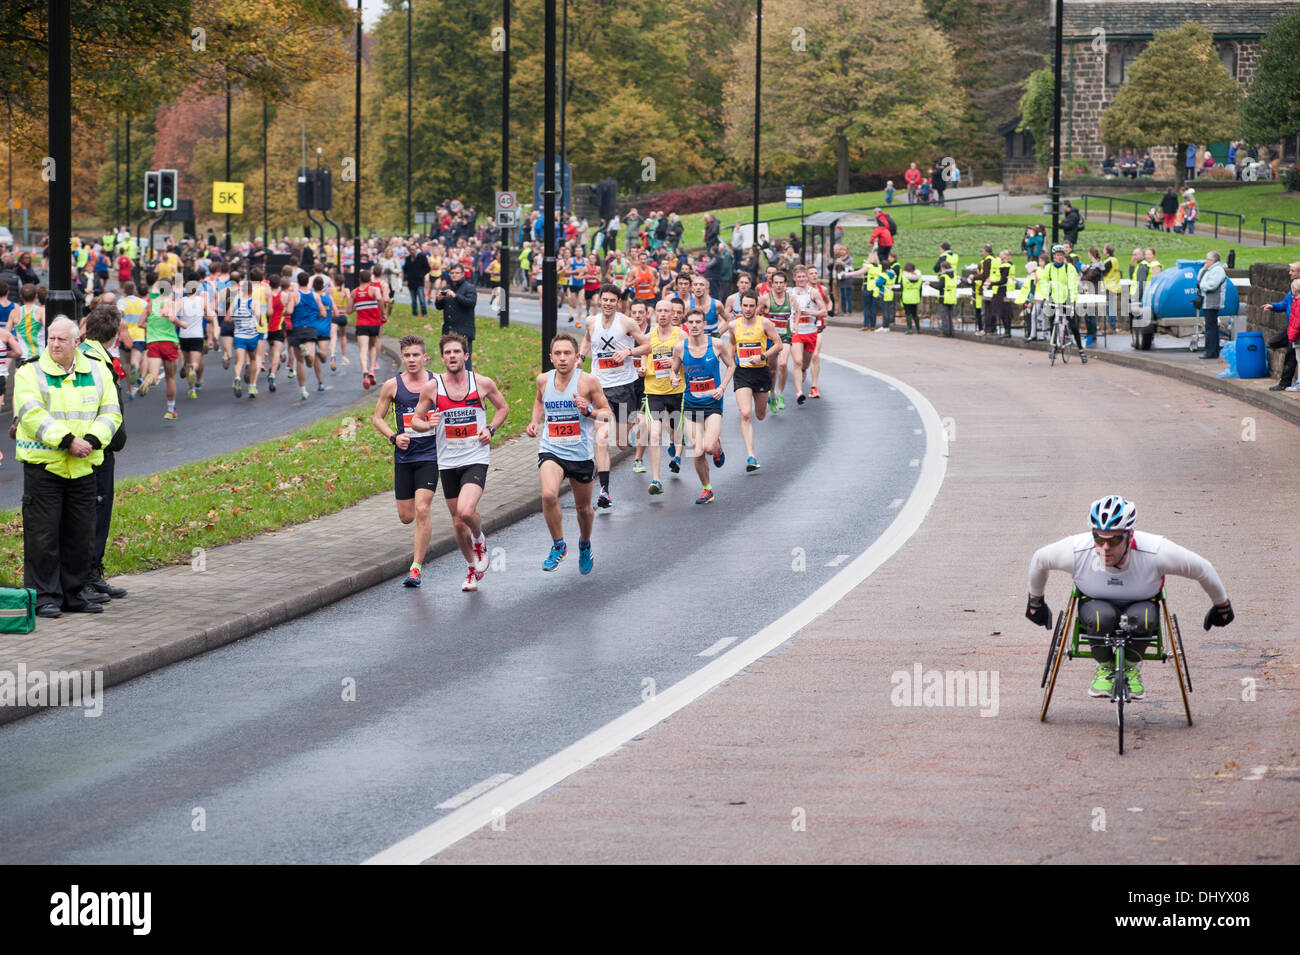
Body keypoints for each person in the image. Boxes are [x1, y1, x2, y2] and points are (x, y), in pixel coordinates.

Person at [1025, 495, 1233, 699]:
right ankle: (1105, 667)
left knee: (1139, 618)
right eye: (1099, 538)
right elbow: (1040, 559)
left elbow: (1203, 569)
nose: (1105, 547)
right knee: (1101, 617)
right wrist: (1036, 601)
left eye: (1114, 539)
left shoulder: (1155, 551)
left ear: (1130, 537)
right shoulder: (1078, 550)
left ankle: (1130, 667)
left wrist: (1221, 605)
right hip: (1096, 603)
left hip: (1141, 604)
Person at [15, 316, 122, 617]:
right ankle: (46, 596)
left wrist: (90, 439)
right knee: (43, 535)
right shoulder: (30, 372)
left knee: (80, 534)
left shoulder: (98, 369)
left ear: (77, 341)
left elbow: (111, 413)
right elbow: (30, 413)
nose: (55, 344)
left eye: (62, 339)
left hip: (84, 465)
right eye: (51, 338)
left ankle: (74, 594)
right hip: (44, 466)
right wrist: (66, 440)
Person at [408, 333, 509, 592]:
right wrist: (426, 424)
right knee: (457, 523)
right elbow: (416, 420)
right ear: (442, 358)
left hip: (475, 456)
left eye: (456, 352)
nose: (452, 356)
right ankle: (472, 569)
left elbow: (503, 408)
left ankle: (480, 539)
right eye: (447, 353)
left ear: (466, 355)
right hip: (447, 461)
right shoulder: (432, 388)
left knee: (466, 511)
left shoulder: (482, 383)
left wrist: (491, 429)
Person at [526, 332, 610, 573]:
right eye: (558, 353)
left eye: (567, 353)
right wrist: (534, 421)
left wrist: (588, 412)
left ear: (576, 357)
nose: (563, 358)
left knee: (584, 509)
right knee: (549, 495)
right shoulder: (543, 380)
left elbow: (607, 413)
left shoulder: (588, 382)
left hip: (580, 454)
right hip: (551, 448)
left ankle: (584, 544)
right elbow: (540, 401)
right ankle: (559, 545)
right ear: (551, 357)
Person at [372, 335, 439, 588]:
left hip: (430, 456)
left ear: (425, 357)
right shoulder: (392, 385)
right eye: (407, 355)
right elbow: (377, 418)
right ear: (402, 357)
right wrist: (393, 436)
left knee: (423, 509)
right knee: (406, 516)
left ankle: (416, 568)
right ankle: (417, 558)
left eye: (416, 355)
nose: (412, 360)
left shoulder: (436, 383)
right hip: (404, 457)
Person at [578, 284, 650, 510]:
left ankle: (633, 427)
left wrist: (628, 352)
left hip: (625, 386)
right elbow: (588, 339)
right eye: (604, 299)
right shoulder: (591, 321)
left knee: (620, 443)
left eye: (612, 300)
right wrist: (581, 355)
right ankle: (605, 491)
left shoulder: (627, 323)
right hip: (600, 387)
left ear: (618, 302)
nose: (608, 303)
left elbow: (647, 346)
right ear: (600, 300)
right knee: (601, 438)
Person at [77, 304, 129, 602]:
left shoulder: (86, 352)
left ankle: (91, 573)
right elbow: (111, 409)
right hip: (97, 447)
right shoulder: (99, 360)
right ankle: (89, 575)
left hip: (87, 444)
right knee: (95, 512)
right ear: (114, 335)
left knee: (91, 512)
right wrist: (116, 439)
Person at [672, 309, 736, 505]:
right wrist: (673, 377)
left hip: (713, 403)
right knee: (697, 450)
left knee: (708, 447)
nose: (694, 325)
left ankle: (717, 448)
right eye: (690, 322)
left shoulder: (716, 344)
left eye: (698, 322)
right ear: (686, 324)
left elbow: (731, 365)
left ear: (703, 324)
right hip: (691, 404)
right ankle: (707, 489)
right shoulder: (679, 348)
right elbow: (672, 370)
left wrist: (722, 387)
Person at [728, 289, 781, 471]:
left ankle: (767, 400)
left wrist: (763, 356)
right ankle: (751, 456)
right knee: (745, 414)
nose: (748, 309)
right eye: (745, 306)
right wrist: (730, 362)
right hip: (742, 373)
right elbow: (732, 344)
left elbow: (779, 344)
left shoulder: (765, 323)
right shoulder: (734, 325)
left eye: (751, 306)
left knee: (760, 415)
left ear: (756, 306)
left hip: (760, 372)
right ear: (740, 306)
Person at [642, 298, 686, 493]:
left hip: (677, 389)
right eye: (659, 310)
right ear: (654, 313)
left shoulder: (681, 335)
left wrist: (675, 361)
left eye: (666, 311)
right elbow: (644, 352)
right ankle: (656, 480)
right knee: (655, 434)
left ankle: (677, 456)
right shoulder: (649, 335)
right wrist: (643, 366)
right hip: (654, 391)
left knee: (676, 429)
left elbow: (692, 358)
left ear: (672, 314)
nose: (662, 314)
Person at [137, 270, 184, 418]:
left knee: (154, 374)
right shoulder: (171, 303)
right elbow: (172, 318)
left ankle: (148, 379)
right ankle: (170, 410)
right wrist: (182, 323)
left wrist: (151, 328)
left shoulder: (150, 305)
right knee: (170, 378)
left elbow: (140, 324)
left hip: (153, 342)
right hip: (169, 341)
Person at [789, 264, 827, 403]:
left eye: (803, 276)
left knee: (806, 362)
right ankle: (799, 392)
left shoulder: (813, 292)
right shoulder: (790, 293)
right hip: (796, 331)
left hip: (811, 331)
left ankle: (804, 370)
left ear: (807, 277)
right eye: (798, 277)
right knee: (797, 361)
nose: (801, 279)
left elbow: (824, 312)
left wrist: (809, 312)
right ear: (794, 278)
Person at [1043, 244, 1087, 363]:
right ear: (1053, 256)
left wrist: (1072, 301)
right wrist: (1045, 297)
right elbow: (1044, 283)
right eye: (1057, 255)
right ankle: (1053, 347)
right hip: (1053, 299)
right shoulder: (1048, 268)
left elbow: (1073, 285)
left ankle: (1081, 351)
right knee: (1052, 324)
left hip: (1066, 300)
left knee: (1073, 326)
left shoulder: (1069, 268)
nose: (1059, 257)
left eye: (1061, 255)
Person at [1264, 261, 1300, 391]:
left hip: (1297, 327)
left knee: (1292, 355)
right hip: (1292, 325)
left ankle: (1286, 383)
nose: (1290, 273)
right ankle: (1287, 382)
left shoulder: (1298, 287)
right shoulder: (1293, 288)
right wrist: (1273, 306)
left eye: (1293, 271)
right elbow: (1285, 304)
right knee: (1274, 342)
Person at [1196, 251, 1228, 360]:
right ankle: (1212, 351)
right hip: (1207, 301)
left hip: (1213, 302)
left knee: (1211, 328)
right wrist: (1203, 270)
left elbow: (1211, 285)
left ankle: (1211, 352)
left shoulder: (1217, 270)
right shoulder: (1209, 270)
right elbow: (1199, 280)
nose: (1206, 261)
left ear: (1213, 261)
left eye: (1208, 259)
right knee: (1210, 327)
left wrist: (1202, 285)